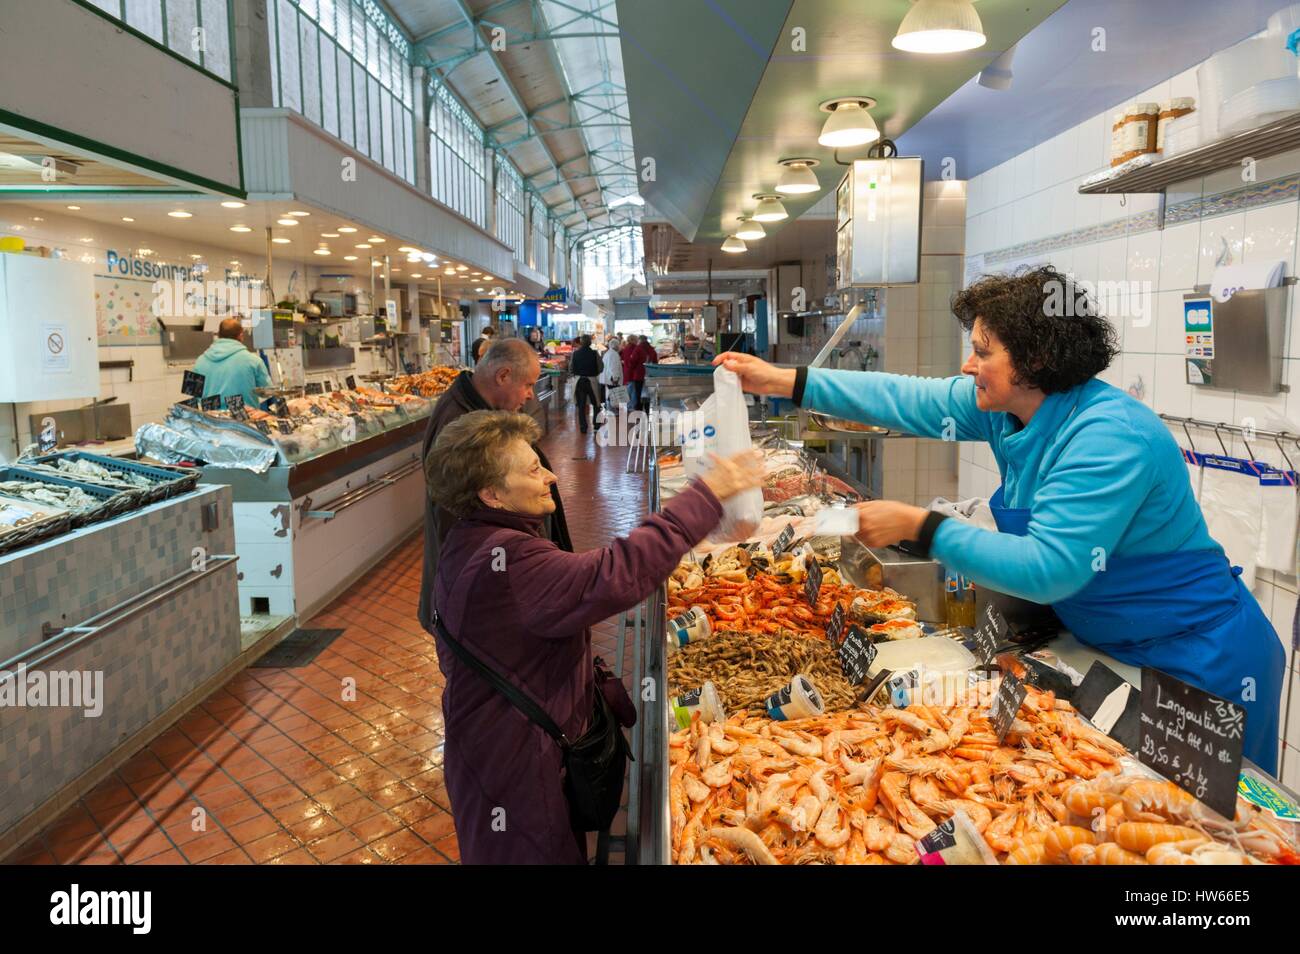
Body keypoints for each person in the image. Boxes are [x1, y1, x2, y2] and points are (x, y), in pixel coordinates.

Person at [716, 265, 1286, 773]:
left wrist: (922, 526)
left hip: (1199, 658)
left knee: (1214, 835)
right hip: (1112, 648)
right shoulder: (1011, 408)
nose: (968, 365)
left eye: (983, 351)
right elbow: (905, 398)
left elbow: (1050, 569)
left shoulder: (1107, 435)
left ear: (1034, 359)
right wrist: (784, 381)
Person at [425, 408, 764, 863]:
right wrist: (705, 498)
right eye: (532, 470)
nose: (550, 476)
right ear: (491, 493)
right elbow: (615, 573)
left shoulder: (471, 536)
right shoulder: (508, 564)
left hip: (497, 747)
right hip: (513, 768)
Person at [418, 338, 571, 634]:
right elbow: (453, 521)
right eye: (527, 385)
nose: (530, 396)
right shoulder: (460, 426)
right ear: (502, 376)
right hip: (478, 605)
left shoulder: (481, 411)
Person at [192, 317, 270, 410]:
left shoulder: (200, 361)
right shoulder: (254, 361)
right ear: (241, 335)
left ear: (219, 335)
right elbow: (267, 391)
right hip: (243, 420)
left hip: (211, 420)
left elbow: (193, 392)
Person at [569, 334, 601, 434]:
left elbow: (571, 368)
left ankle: (583, 427)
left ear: (581, 342)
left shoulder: (575, 353)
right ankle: (596, 426)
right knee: (596, 404)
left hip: (579, 381)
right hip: (592, 381)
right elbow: (601, 367)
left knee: (581, 405)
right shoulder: (595, 353)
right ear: (590, 342)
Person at [599, 335, 623, 407]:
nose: (619, 347)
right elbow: (613, 367)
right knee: (613, 394)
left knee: (610, 393)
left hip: (608, 377)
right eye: (618, 345)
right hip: (612, 379)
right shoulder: (614, 354)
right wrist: (615, 378)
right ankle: (612, 410)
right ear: (616, 346)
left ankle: (609, 408)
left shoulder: (608, 353)